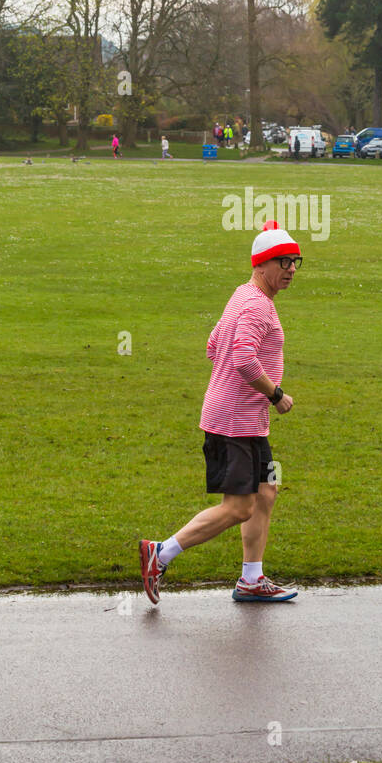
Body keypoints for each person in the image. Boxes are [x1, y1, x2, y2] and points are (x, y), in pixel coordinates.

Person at [139, 221, 302, 606]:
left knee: (266, 491)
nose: (292, 269)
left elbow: (214, 345)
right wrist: (275, 394)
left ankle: (251, 579)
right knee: (239, 506)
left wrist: (234, 385)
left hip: (245, 420)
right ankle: (159, 554)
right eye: (284, 262)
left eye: (296, 262)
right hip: (233, 424)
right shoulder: (256, 306)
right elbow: (243, 358)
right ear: (261, 265)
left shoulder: (242, 295)